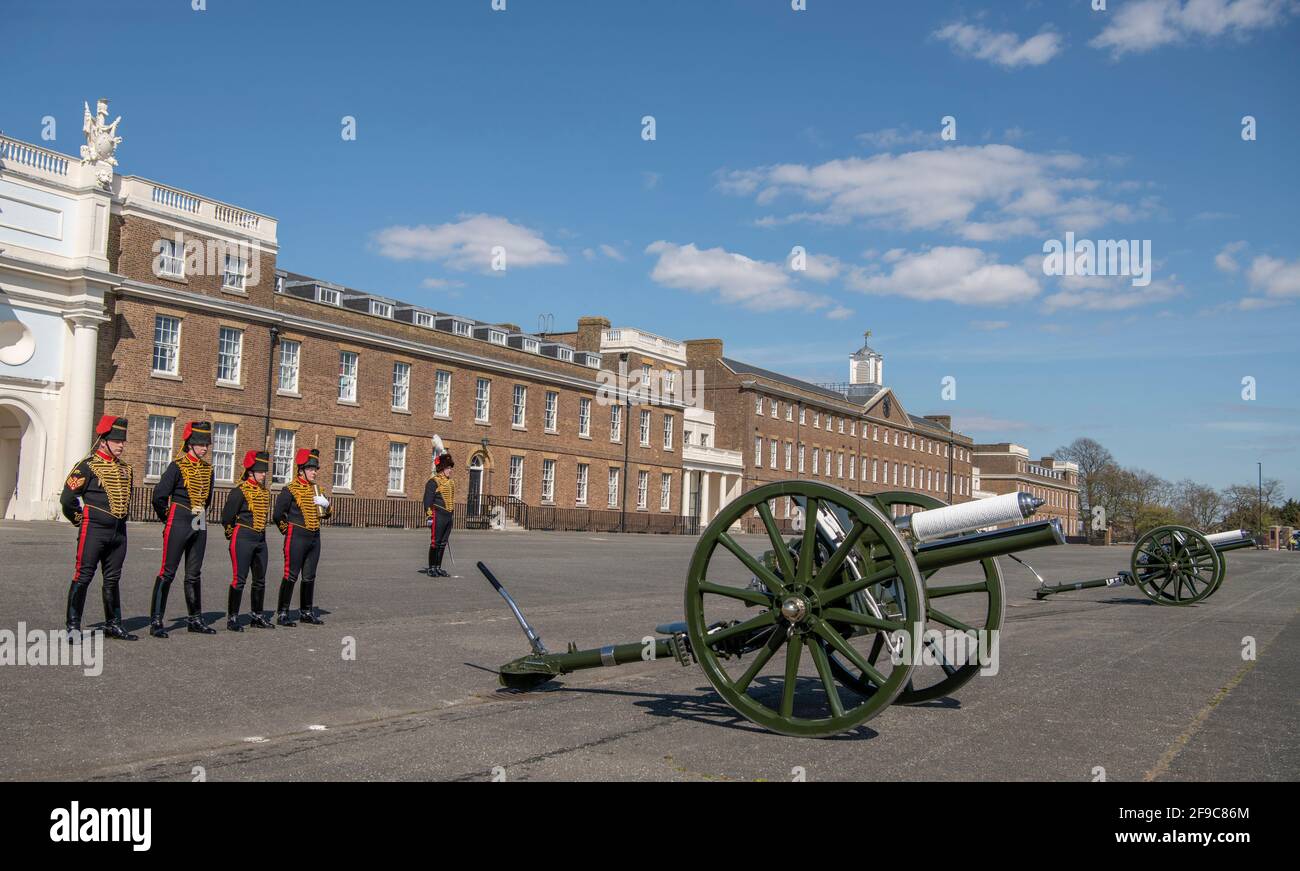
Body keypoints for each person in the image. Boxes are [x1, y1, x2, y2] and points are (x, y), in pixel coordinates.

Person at [59, 415, 137, 641]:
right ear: (103, 441)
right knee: (83, 576)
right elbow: (67, 498)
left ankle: (113, 623)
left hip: (118, 532)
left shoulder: (126, 469)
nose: (121, 445)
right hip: (93, 530)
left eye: (123, 441)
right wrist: (79, 519)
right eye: (116, 441)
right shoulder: (87, 466)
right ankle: (73, 626)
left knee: (113, 578)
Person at [149, 421, 216, 637]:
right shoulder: (176, 466)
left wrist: (199, 517)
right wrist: (168, 518)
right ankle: (156, 621)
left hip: (199, 518)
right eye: (200, 443)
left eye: (207, 443)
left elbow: (208, 499)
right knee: (168, 571)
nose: (205, 448)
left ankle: (195, 619)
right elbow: (159, 496)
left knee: (194, 573)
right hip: (179, 517)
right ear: (190, 444)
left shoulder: (208, 470)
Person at [273, 447, 330, 625]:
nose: (314, 472)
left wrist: (327, 505)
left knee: (309, 575)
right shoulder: (289, 489)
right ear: (301, 470)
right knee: (291, 574)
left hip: (314, 537)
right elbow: (277, 514)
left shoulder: (317, 489)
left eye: (315, 469)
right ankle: (282, 612)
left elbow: (325, 514)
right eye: (311, 469)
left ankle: (306, 611)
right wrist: (287, 530)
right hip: (296, 536)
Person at [222, 449, 275, 632]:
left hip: (260, 539)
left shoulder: (264, 492)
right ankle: (233, 617)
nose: (263, 475)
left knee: (260, 580)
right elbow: (227, 516)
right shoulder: (240, 491)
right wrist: (231, 534)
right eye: (260, 471)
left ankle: (257, 616)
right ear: (251, 471)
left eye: (264, 471)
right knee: (240, 579)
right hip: (243, 537)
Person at [423, 452, 456, 577]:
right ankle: (431, 567)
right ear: (442, 469)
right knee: (435, 542)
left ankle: (438, 567)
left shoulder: (451, 483)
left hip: (448, 515)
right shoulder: (433, 482)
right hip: (438, 514)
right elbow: (427, 500)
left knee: (443, 542)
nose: (450, 470)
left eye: (450, 468)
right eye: (448, 468)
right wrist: (429, 516)